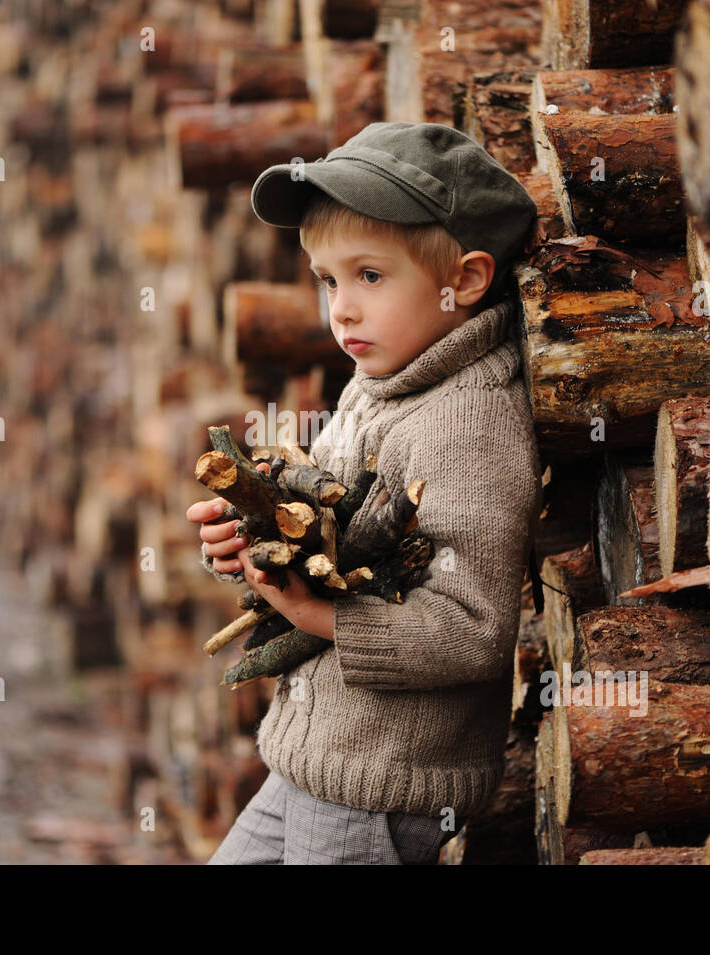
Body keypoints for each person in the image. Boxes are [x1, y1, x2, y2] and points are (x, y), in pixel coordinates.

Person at [185, 122, 543, 864]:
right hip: (317, 761)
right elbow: (320, 535)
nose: (340, 308)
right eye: (327, 280)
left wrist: (321, 618)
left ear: (468, 281)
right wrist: (245, 538)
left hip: (381, 783)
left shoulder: (465, 419)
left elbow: (475, 625)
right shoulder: (376, 387)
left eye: (369, 276)